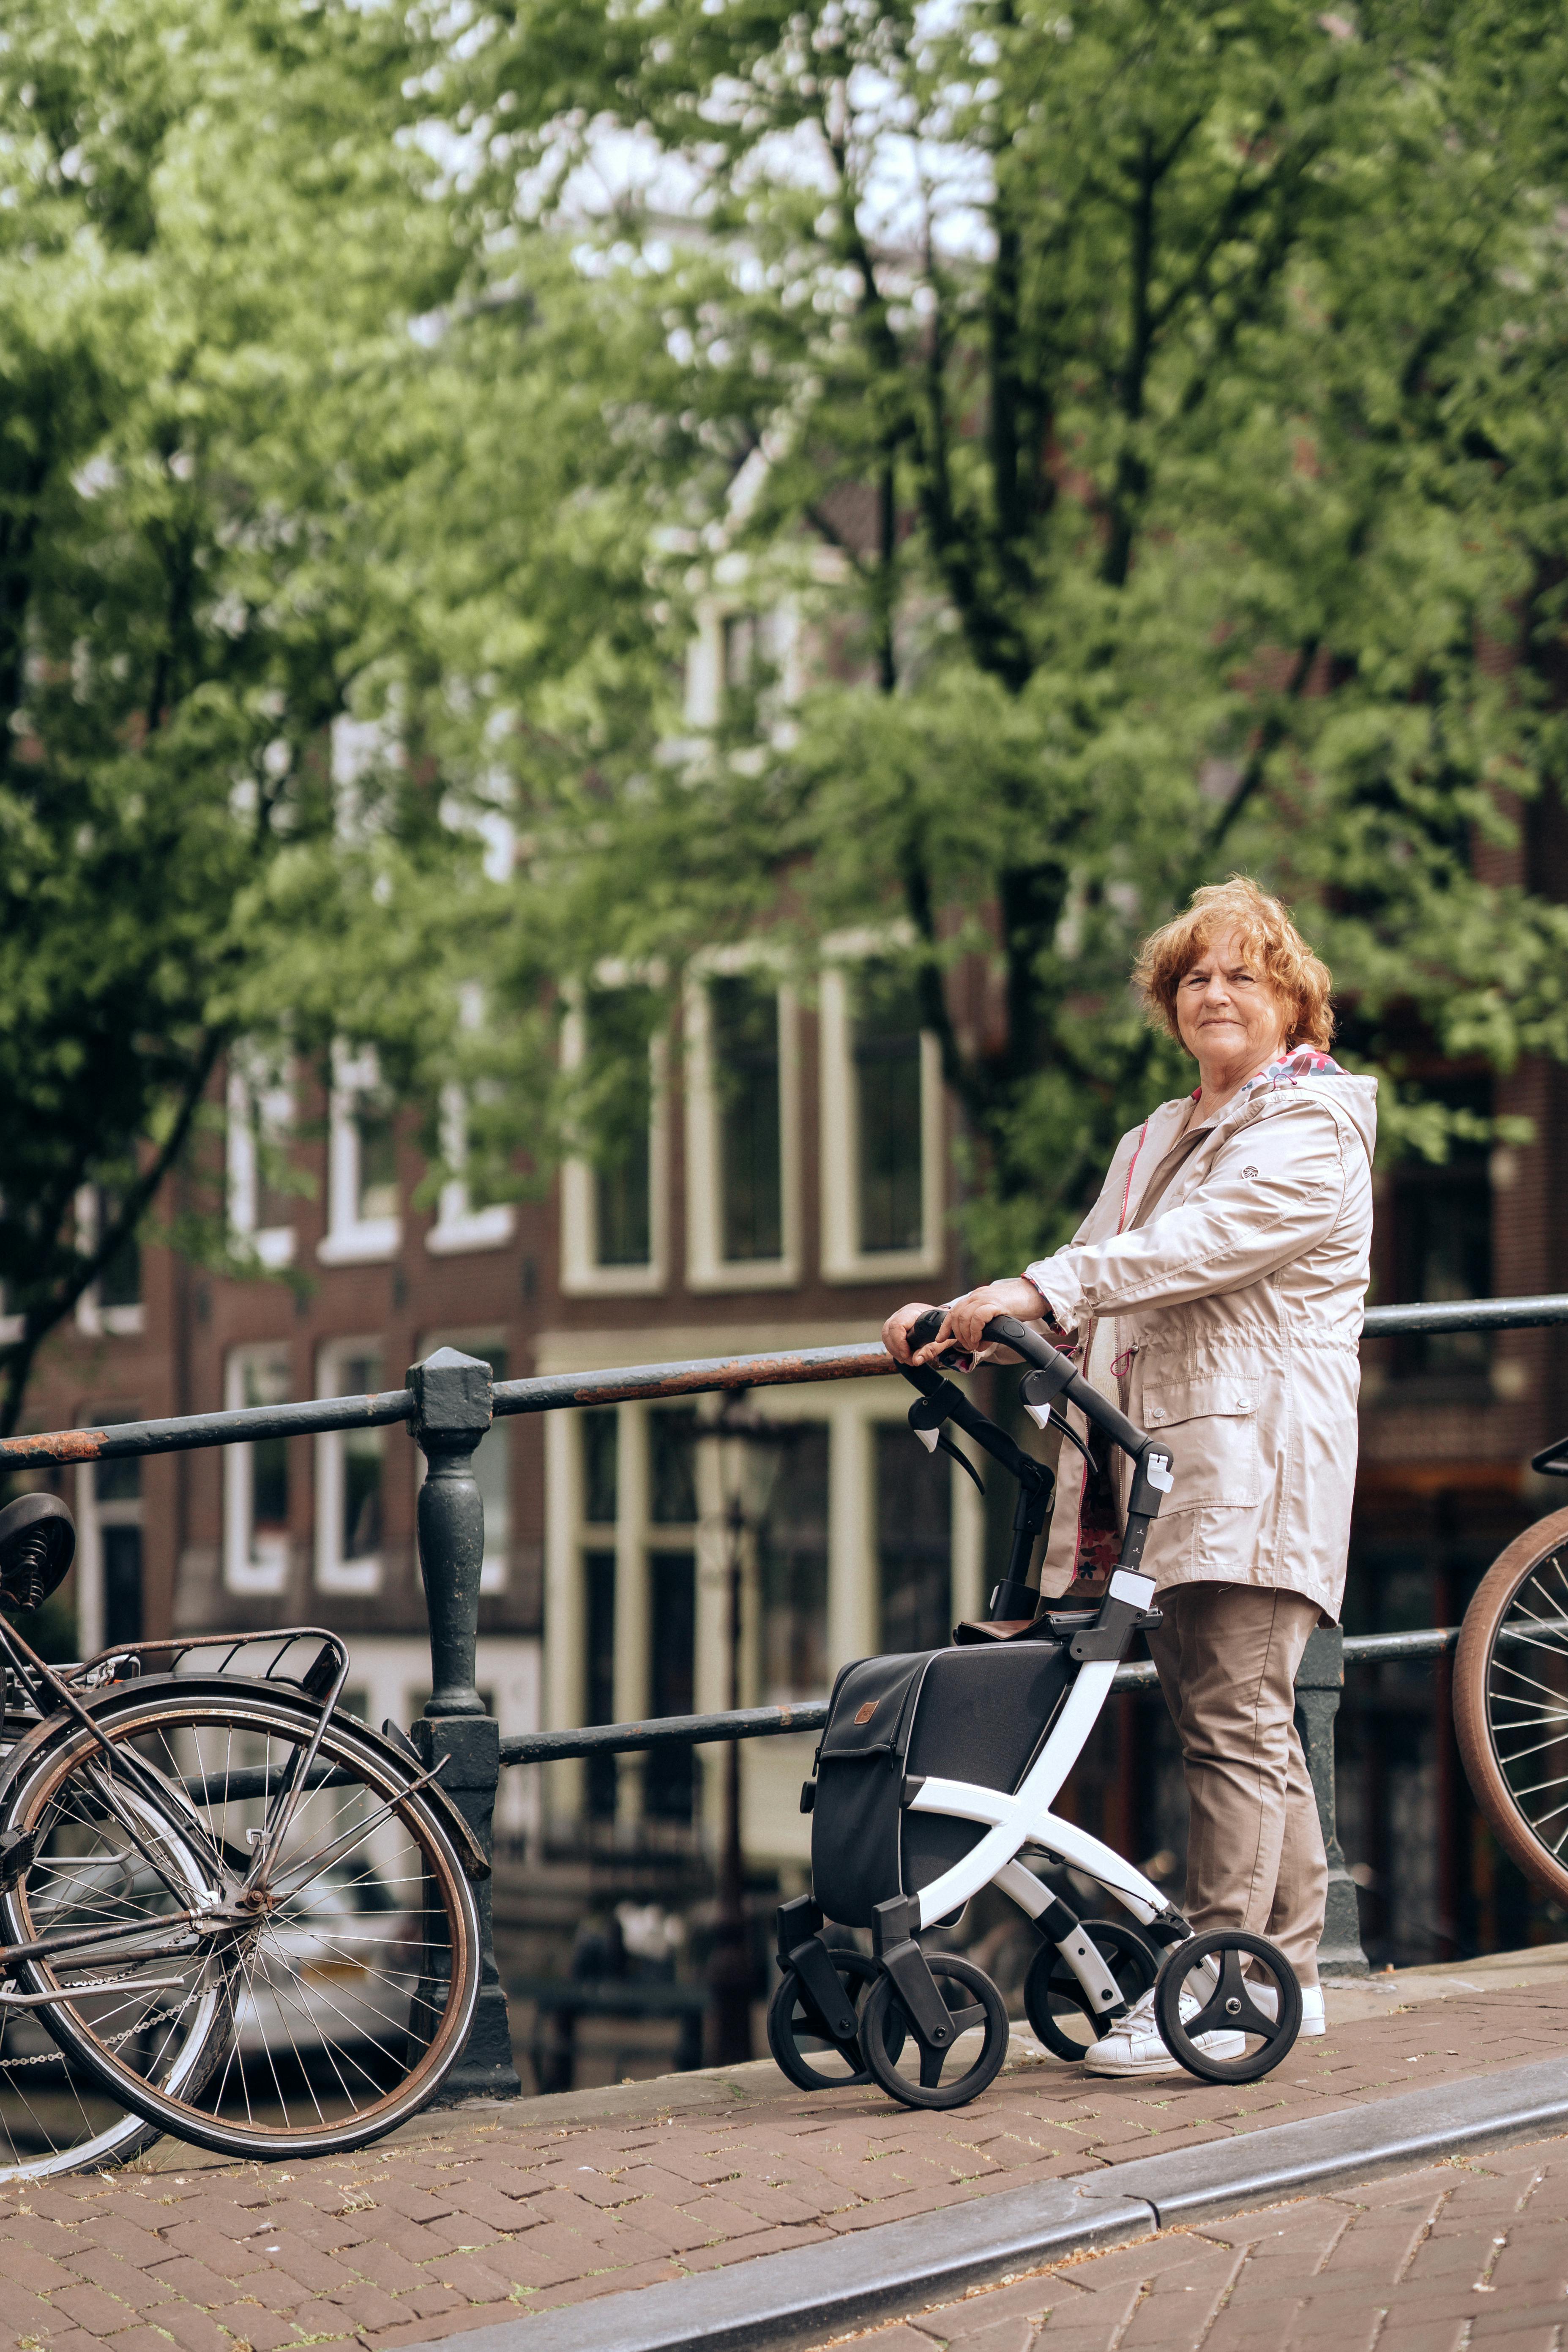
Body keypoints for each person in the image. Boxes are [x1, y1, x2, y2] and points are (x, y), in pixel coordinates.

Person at [883, 878, 1376, 2076]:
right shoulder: (1156, 1135)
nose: (1216, 991)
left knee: (1236, 1723)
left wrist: (1041, 1290)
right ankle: (1290, 1977)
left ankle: (1214, 1991)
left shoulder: (1312, 1127)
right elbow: (1096, 1260)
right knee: (1243, 1719)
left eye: (1242, 974)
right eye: (1196, 975)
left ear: (1291, 1001)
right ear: (1170, 1001)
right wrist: (965, 1312)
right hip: (1171, 1467)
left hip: (1257, 1455)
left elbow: (1186, 1250)